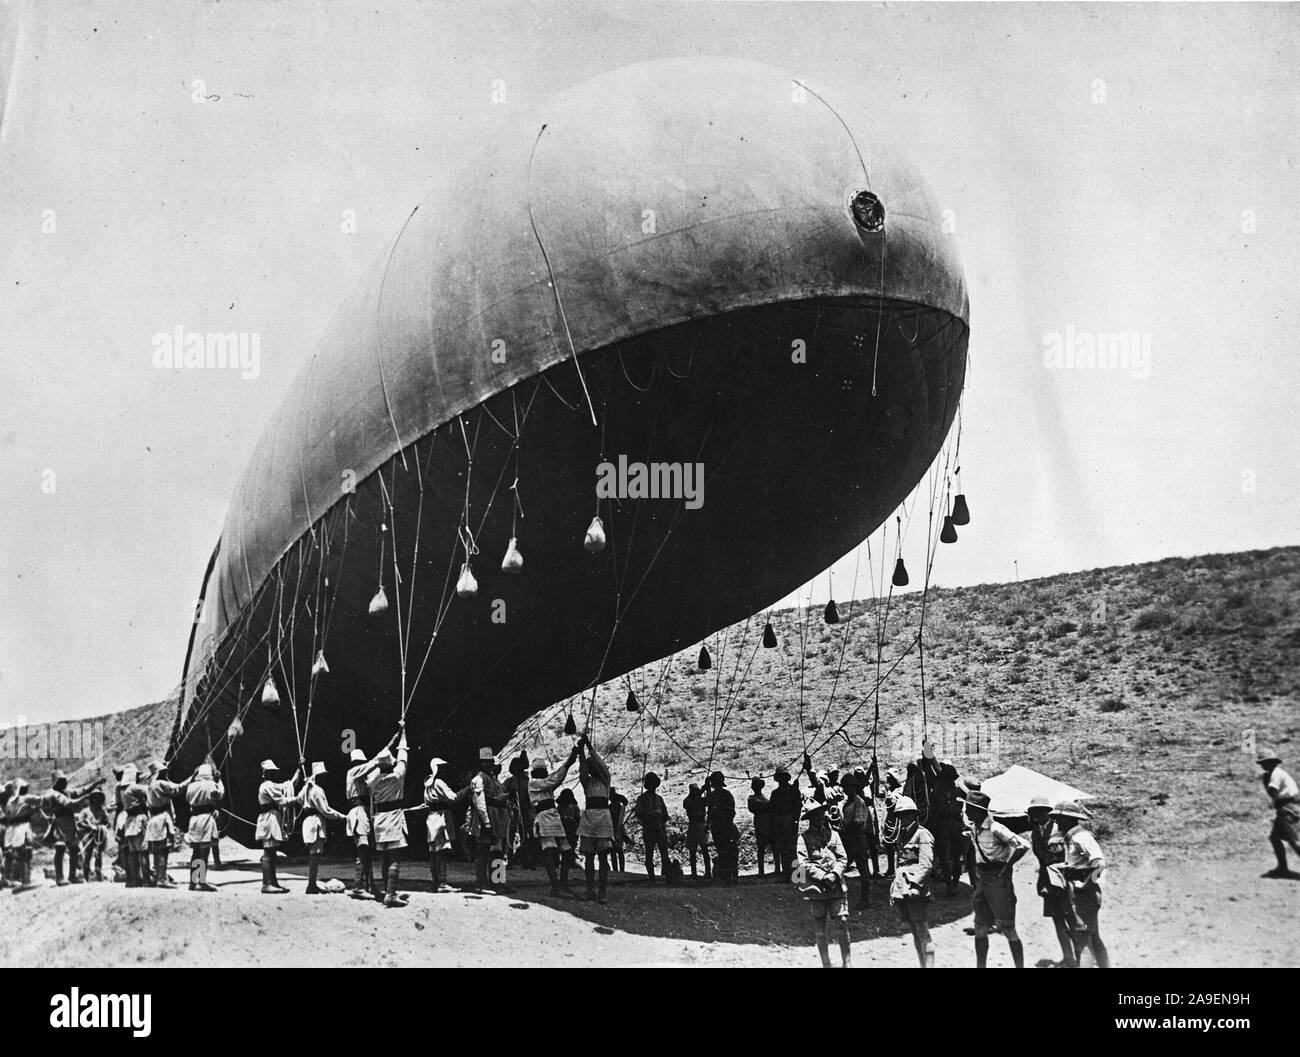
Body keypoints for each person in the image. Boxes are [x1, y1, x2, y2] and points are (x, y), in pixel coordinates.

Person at [963, 790, 1030, 968]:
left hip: (998, 878)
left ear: (978, 810)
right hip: (982, 879)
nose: (966, 811)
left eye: (968, 808)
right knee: (980, 926)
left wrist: (1008, 866)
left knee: (1007, 927)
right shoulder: (974, 827)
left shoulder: (996, 828)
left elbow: (1023, 845)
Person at [794, 798, 851, 968]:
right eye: (815, 816)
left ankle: (847, 963)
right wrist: (821, 876)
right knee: (820, 925)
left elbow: (843, 858)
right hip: (816, 888)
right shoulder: (803, 839)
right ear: (810, 819)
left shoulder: (834, 835)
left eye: (821, 815)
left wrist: (834, 874)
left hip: (836, 885)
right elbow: (803, 863)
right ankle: (826, 963)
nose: (819, 819)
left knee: (842, 921)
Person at [1054, 801, 1110, 968]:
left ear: (1069, 819)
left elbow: (1099, 864)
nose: (1056, 823)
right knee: (1093, 936)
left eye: (1059, 819)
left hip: (1085, 895)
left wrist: (1085, 885)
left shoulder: (1081, 837)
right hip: (1081, 894)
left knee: (1082, 940)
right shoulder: (1072, 838)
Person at [345, 738, 398, 900]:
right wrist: (391, 743)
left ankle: (368, 884)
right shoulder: (353, 772)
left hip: (364, 812)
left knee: (366, 851)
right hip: (358, 812)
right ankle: (357, 886)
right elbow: (374, 762)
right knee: (363, 849)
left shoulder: (362, 776)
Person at [1027, 794, 1077, 967]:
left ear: (1049, 812)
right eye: (1035, 813)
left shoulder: (1059, 829)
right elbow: (1041, 860)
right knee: (1057, 920)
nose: (1039, 816)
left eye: (1042, 812)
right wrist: (1041, 883)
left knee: (1072, 919)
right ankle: (1068, 956)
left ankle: (1080, 956)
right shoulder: (1035, 832)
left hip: (1063, 881)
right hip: (1048, 883)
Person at [888, 796, 936, 967]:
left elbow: (926, 863)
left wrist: (916, 885)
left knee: (923, 931)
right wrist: (895, 888)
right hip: (903, 890)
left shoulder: (922, 834)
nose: (904, 818)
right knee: (915, 932)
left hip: (916, 890)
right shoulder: (902, 835)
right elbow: (899, 864)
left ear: (914, 815)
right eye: (901, 815)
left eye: (907, 814)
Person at [528, 746, 579, 895]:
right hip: (544, 818)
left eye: (544, 772)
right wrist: (568, 762)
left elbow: (556, 779)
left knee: (567, 851)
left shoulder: (545, 784)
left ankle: (562, 884)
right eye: (541, 772)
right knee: (550, 852)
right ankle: (555, 887)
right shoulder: (534, 783)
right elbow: (554, 779)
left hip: (554, 818)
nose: (543, 774)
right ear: (534, 773)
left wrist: (570, 760)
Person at [367, 728, 411, 907]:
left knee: (385, 858)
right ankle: (391, 894)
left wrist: (393, 738)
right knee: (394, 857)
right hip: (393, 818)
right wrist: (403, 735)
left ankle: (387, 889)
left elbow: (374, 763)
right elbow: (403, 757)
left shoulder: (372, 781)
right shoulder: (397, 777)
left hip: (379, 820)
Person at [40, 771, 102, 885]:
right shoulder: (53, 794)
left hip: (69, 822)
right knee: (60, 848)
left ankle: (72, 876)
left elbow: (81, 790)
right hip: (60, 823)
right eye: (61, 781)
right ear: (55, 782)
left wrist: (94, 785)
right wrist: (84, 798)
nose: (64, 783)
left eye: (64, 780)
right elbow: (69, 803)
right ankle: (59, 877)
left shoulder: (65, 791)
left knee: (74, 849)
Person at [255, 758, 303, 895]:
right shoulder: (267, 786)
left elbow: (289, 785)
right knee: (268, 852)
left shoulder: (271, 785)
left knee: (272, 852)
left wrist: (299, 769)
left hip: (273, 818)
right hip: (269, 820)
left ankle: (273, 882)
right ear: (266, 773)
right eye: (271, 771)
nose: (273, 774)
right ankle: (267, 884)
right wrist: (298, 799)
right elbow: (282, 801)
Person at [576, 735, 614, 904]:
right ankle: (590, 890)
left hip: (604, 819)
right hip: (589, 818)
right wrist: (581, 752)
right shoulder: (587, 782)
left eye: (594, 765)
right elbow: (583, 769)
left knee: (603, 857)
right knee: (589, 857)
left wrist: (589, 746)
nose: (593, 768)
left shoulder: (606, 780)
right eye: (591, 767)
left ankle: (603, 892)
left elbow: (602, 765)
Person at [297, 762, 346, 895]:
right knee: (315, 854)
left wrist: (306, 785)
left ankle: (311, 884)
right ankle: (311, 885)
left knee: (314, 854)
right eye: (322, 775)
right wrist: (342, 817)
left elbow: (299, 800)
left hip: (308, 821)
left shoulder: (307, 788)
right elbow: (326, 810)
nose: (325, 778)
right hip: (315, 822)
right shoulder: (317, 790)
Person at [468, 746, 511, 894]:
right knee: (483, 852)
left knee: (498, 852)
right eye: (485, 762)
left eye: (490, 762)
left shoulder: (493, 778)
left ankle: (497, 881)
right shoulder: (479, 779)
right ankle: (481, 884)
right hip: (487, 817)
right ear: (481, 763)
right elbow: (479, 802)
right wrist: (486, 822)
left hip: (498, 818)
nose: (489, 764)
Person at [144, 761, 189, 889]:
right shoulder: (161, 784)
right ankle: (163, 879)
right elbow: (178, 789)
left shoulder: (151, 785)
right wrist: (192, 777)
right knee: (163, 850)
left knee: (158, 851)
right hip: (163, 819)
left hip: (154, 819)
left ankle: (160, 877)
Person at [1257, 751, 1300, 878]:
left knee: (1293, 840)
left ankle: (1283, 868)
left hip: (1286, 807)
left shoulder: (1276, 774)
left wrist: (1279, 807)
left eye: (1266, 762)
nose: (1263, 765)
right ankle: (1283, 867)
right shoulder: (1275, 773)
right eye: (1262, 763)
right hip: (1286, 806)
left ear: (1273, 762)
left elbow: (1272, 790)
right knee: (1275, 837)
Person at [184, 762, 225, 892]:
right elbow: (220, 794)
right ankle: (201, 882)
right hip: (206, 818)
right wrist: (219, 781)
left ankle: (193, 881)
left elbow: (187, 798)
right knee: (204, 851)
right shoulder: (211, 785)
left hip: (194, 819)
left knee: (195, 851)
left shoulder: (191, 786)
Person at [424, 756, 458, 892]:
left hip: (431, 818)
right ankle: (442, 883)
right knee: (441, 851)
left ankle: (435, 882)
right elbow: (452, 797)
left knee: (434, 851)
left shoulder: (427, 783)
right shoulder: (439, 782)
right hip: (440, 818)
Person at [839, 772, 871, 910]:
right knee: (841, 867)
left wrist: (845, 829)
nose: (847, 790)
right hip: (848, 839)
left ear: (855, 788)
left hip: (858, 838)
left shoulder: (859, 802)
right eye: (845, 787)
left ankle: (865, 900)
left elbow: (859, 822)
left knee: (863, 869)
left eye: (849, 787)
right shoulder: (847, 803)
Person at [4, 778, 41, 891]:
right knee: (24, 854)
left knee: (22, 853)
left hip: (15, 829)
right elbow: (38, 801)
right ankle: (25, 881)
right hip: (22, 828)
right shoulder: (23, 799)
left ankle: (25, 879)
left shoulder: (10, 801)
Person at [634, 772, 671, 883]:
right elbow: (639, 813)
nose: (653, 785)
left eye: (655, 783)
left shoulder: (659, 799)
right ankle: (652, 878)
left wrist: (660, 824)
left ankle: (667, 876)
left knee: (664, 853)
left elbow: (665, 815)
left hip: (659, 828)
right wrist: (649, 820)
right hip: (649, 828)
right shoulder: (642, 798)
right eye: (651, 783)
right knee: (649, 853)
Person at [119, 766, 151, 887]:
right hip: (138, 820)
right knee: (143, 851)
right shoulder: (134, 787)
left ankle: (134, 880)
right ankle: (147, 880)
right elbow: (149, 789)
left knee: (133, 854)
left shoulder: (123, 789)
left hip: (129, 822)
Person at [707, 771, 739, 886]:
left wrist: (727, 823)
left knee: (728, 850)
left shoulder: (726, 795)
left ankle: (730, 876)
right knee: (721, 850)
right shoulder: (711, 796)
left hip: (725, 825)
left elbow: (731, 812)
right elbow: (709, 811)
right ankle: (725, 876)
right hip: (716, 826)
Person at [768, 767, 800, 882]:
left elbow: (797, 808)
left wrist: (795, 821)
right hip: (779, 823)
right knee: (782, 850)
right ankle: (786, 875)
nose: (782, 779)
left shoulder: (794, 791)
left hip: (790, 821)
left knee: (793, 850)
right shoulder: (775, 793)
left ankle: (798, 876)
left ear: (787, 778)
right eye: (780, 777)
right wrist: (774, 826)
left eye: (784, 777)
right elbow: (772, 810)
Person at [76, 789, 111, 882]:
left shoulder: (102, 811)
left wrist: (103, 827)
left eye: (99, 797)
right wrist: (90, 827)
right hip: (88, 835)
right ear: (92, 798)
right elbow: (79, 823)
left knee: (99, 854)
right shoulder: (85, 811)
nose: (97, 799)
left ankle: (98, 874)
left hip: (99, 835)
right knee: (87, 855)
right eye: (95, 797)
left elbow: (107, 822)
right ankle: (85, 877)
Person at [682, 783, 712, 882]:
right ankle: (694, 873)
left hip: (700, 825)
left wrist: (707, 789)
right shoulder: (689, 800)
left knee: (704, 850)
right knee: (693, 851)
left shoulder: (700, 799)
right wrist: (702, 791)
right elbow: (687, 803)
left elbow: (709, 800)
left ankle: (708, 872)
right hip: (694, 825)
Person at [747, 778, 773, 877]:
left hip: (768, 821)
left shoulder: (763, 797)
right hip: (760, 822)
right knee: (761, 846)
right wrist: (767, 805)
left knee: (772, 845)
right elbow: (754, 806)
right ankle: (761, 870)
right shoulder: (752, 798)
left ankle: (777, 868)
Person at [556, 787, 581, 886]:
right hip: (571, 832)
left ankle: (562, 878)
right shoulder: (575, 807)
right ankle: (564, 879)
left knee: (562, 855)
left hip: (563, 832)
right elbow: (578, 820)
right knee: (567, 856)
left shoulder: (560, 807)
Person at [609, 785, 629, 872]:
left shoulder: (617, 806)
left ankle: (620, 870)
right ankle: (618, 870)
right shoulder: (615, 806)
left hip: (616, 828)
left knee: (617, 851)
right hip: (613, 829)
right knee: (616, 851)